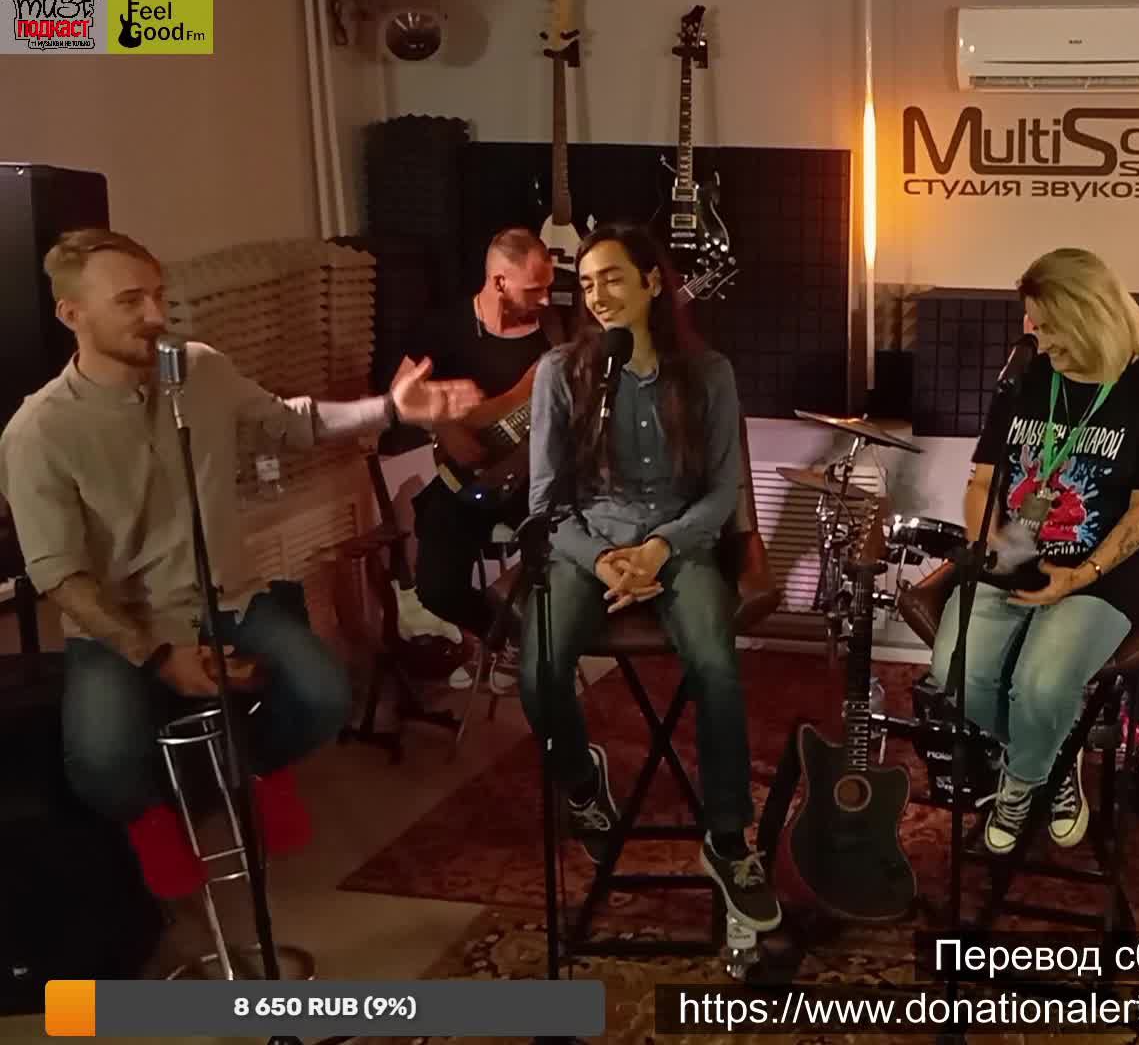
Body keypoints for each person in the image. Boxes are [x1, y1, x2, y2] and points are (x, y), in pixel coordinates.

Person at [0, 228, 481, 899]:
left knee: (324, 697)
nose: (156, 315)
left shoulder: (198, 370)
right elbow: (59, 575)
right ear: (72, 313)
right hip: (124, 626)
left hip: (229, 597)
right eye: (131, 301)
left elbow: (291, 422)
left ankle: (251, 768)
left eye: (159, 295)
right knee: (101, 763)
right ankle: (153, 822)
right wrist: (158, 656)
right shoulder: (37, 432)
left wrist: (390, 409)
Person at [518, 221, 779, 932]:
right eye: (587, 283)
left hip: (680, 541)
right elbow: (545, 502)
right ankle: (582, 785)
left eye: (613, 278)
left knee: (716, 664)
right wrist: (601, 558)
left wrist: (659, 550)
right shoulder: (560, 373)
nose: (598, 295)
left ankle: (727, 838)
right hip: (587, 542)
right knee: (538, 671)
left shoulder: (709, 372)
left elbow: (723, 493)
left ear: (653, 282)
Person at [930, 248, 1139, 854]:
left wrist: (1077, 577)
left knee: (1042, 686)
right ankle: (1054, 754)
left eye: (1051, 328)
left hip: (1102, 573)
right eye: (1034, 324)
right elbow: (981, 483)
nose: (1039, 341)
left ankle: (1022, 781)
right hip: (1014, 556)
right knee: (955, 674)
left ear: (1092, 317)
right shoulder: (1026, 377)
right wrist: (987, 544)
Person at [404, 228, 563, 686]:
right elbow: (404, 397)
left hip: (536, 480)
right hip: (466, 479)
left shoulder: (558, 332)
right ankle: (504, 636)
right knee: (435, 586)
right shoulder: (446, 327)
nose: (546, 299)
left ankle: (546, 648)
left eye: (548, 287)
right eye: (534, 290)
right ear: (499, 282)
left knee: (560, 552)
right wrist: (445, 428)